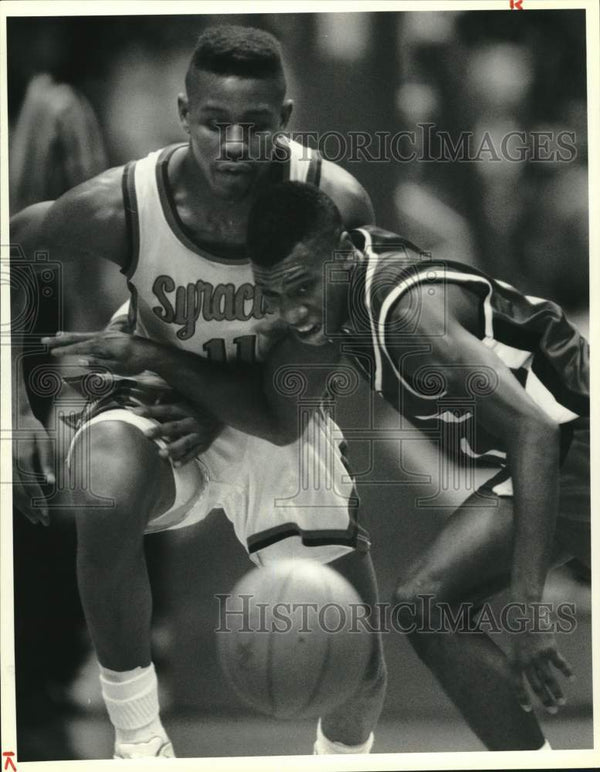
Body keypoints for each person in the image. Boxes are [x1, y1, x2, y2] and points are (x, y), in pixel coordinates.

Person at [49, 180, 590, 752]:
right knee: (425, 603)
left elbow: (532, 431)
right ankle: (536, 760)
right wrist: (166, 368)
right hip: (559, 453)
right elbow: (280, 421)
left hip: (572, 444)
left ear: (342, 255)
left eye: (302, 288)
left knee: (426, 602)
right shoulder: (337, 291)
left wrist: (526, 611)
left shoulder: (404, 313)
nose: (292, 313)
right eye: (274, 297)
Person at [12, 27, 387, 759]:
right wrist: (18, 405)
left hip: (267, 414)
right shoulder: (125, 203)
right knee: (104, 486)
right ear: (185, 113)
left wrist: (175, 368)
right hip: (155, 404)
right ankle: (140, 743)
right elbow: (20, 245)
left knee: (361, 665)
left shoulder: (335, 208)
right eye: (215, 123)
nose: (236, 145)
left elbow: (281, 418)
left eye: (256, 124)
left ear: (287, 116)